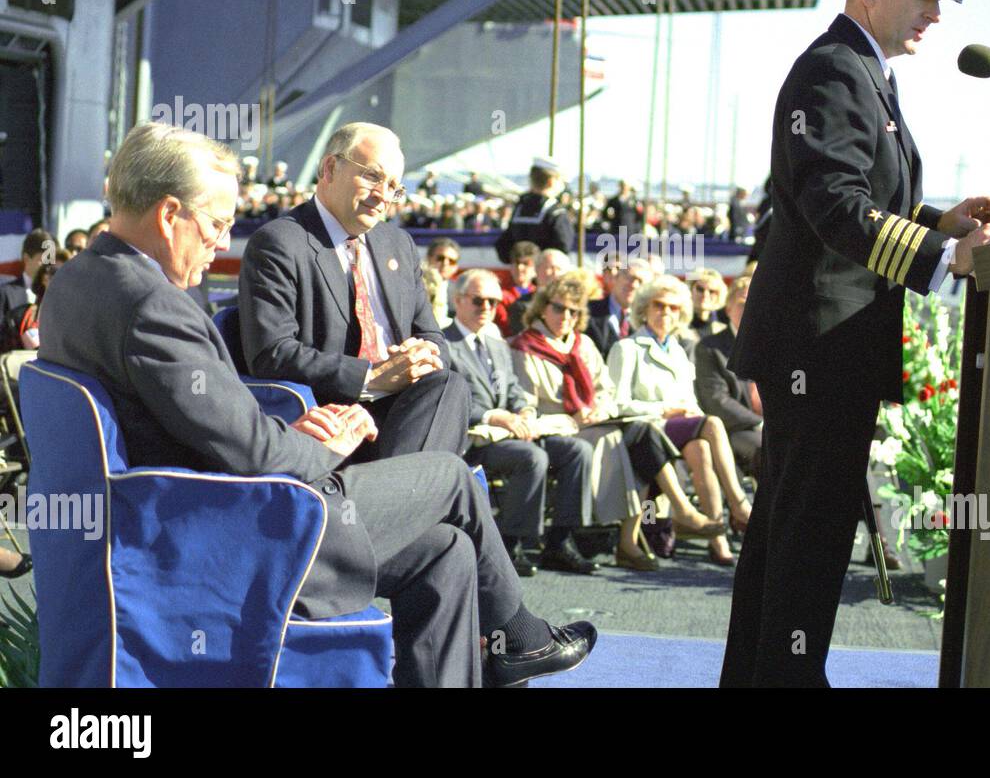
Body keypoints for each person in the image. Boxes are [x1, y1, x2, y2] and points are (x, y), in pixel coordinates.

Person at [39, 122, 595, 687]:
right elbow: (255, 451)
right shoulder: (154, 307)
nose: (221, 242)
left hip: (192, 508)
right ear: (167, 215)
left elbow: (210, 422)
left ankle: (509, 647)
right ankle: (520, 638)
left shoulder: (77, 282)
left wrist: (296, 428)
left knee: (447, 550)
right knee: (451, 480)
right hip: (236, 529)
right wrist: (321, 444)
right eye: (216, 223)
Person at [721, 0, 990, 687]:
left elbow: (854, 205)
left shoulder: (860, 70)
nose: (937, 12)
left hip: (822, 350)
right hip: (818, 353)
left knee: (789, 538)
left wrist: (936, 221)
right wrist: (943, 254)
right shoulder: (834, 71)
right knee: (808, 541)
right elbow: (833, 204)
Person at [238, 123, 471, 464]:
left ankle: (398, 501)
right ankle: (408, 504)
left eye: (393, 187)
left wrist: (421, 355)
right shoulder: (280, 243)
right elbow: (271, 354)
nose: (383, 196)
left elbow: (434, 337)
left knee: (449, 384)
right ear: (330, 168)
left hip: (405, 412)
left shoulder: (398, 244)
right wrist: (372, 377)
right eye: (373, 177)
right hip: (332, 415)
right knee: (454, 500)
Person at [510, 271, 723, 571]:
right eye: (558, 308)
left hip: (595, 423)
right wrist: (572, 416)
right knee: (635, 438)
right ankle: (668, 519)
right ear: (542, 307)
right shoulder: (525, 347)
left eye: (574, 311)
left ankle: (640, 534)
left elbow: (605, 390)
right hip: (556, 428)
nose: (566, 316)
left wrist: (598, 409)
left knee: (641, 436)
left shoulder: (581, 345)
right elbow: (525, 405)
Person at [445, 269, 598, 576]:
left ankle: (559, 541)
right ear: (458, 300)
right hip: (473, 439)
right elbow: (447, 399)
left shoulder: (497, 344)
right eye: (478, 300)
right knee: (532, 457)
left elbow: (513, 389)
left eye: (493, 301)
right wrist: (494, 416)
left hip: (510, 431)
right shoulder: (444, 344)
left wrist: (525, 410)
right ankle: (509, 544)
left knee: (577, 451)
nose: (487, 307)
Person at [607, 275, 751, 566]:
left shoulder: (678, 352)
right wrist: (665, 409)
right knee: (711, 424)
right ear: (644, 309)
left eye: (674, 308)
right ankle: (739, 506)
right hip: (644, 427)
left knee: (701, 447)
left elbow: (690, 402)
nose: (666, 313)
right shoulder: (627, 348)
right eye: (659, 305)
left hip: (674, 431)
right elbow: (616, 404)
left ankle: (716, 536)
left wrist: (686, 411)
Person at [693, 275, 763, 477]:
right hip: (735, 430)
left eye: (755, 303)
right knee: (768, 450)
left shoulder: (773, 345)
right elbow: (716, 400)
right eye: (742, 304)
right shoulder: (710, 348)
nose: (750, 310)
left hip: (772, 427)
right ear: (728, 309)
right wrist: (759, 423)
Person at [495, 156, 575, 261]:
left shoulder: (520, 209)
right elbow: (563, 248)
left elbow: (503, 247)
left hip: (519, 272)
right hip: (546, 272)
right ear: (551, 181)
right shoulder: (556, 212)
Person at [585, 257, 651, 360]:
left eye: (640, 281)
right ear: (616, 278)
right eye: (629, 278)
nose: (633, 285)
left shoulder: (647, 322)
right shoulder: (588, 310)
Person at [1, 229, 53, 350]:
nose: (48, 266)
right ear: (26, 258)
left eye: (51, 260)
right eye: (43, 259)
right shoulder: (5, 293)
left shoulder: (59, 296)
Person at [506, 248, 570, 336]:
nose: (555, 273)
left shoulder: (572, 307)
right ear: (536, 270)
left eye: (559, 269)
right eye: (550, 268)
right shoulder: (521, 306)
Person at [681, 267, 727, 356]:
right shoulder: (678, 328)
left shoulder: (723, 330)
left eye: (712, 291)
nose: (705, 295)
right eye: (700, 289)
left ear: (719, 295)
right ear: (690, 290)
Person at [495, 241, 537, 336]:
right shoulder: (501, 296)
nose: (520, 267)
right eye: (516, 263)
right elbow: (504, 326)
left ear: (535, 268)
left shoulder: (540, 295)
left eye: (526, 263)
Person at [423, 236, 460, 328]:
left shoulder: (460, 291)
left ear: (456, 267)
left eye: (451, 261)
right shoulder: (415, 286)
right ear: (428, 258)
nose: (445, 264)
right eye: (440, 258)